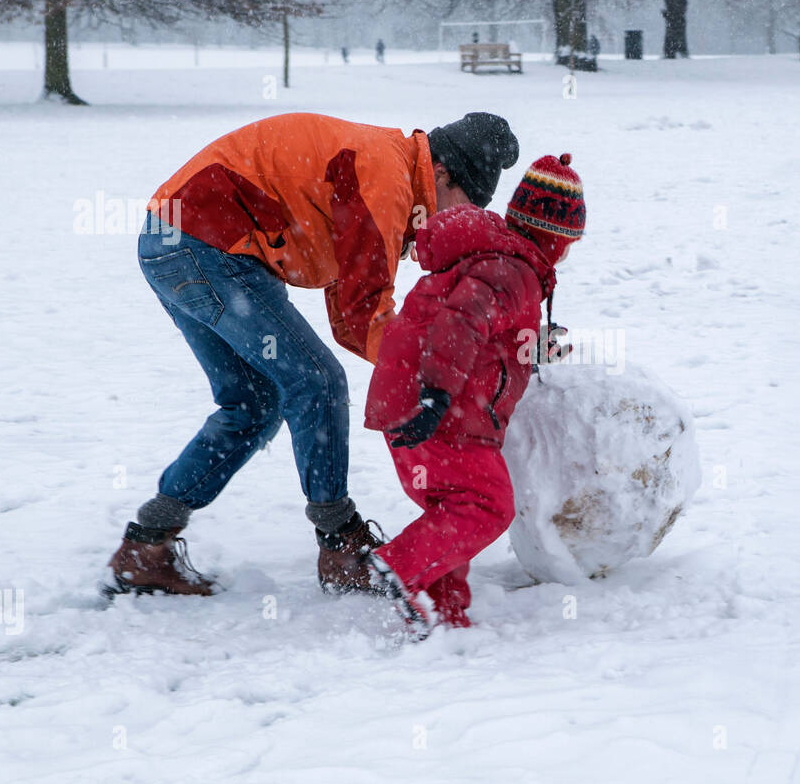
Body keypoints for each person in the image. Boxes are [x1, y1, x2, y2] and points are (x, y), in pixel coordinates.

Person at [105, 112, 520, 597]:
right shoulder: (386, 180)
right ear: (443, 174)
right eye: (460, 206)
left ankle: (145, 547)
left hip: (172, 238)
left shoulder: (390, 171)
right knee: (318, 381)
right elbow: (364, 314)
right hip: (207, 243)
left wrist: (432, 367)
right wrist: (435, 378)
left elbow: (350, 317)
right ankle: (340, 542)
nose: (455, 221)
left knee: (254, 403)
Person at [349, 153, 587, 635]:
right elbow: (464, 319)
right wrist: (436, 393)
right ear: (555, 239)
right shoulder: (513, 270)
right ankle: (398, 566)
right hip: (442, 412)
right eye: (568, 244)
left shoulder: (499, 261)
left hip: (415, 404)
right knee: (488, 503)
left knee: (452, 507)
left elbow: (485, 332)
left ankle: (443, 612)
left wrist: (532, 347)